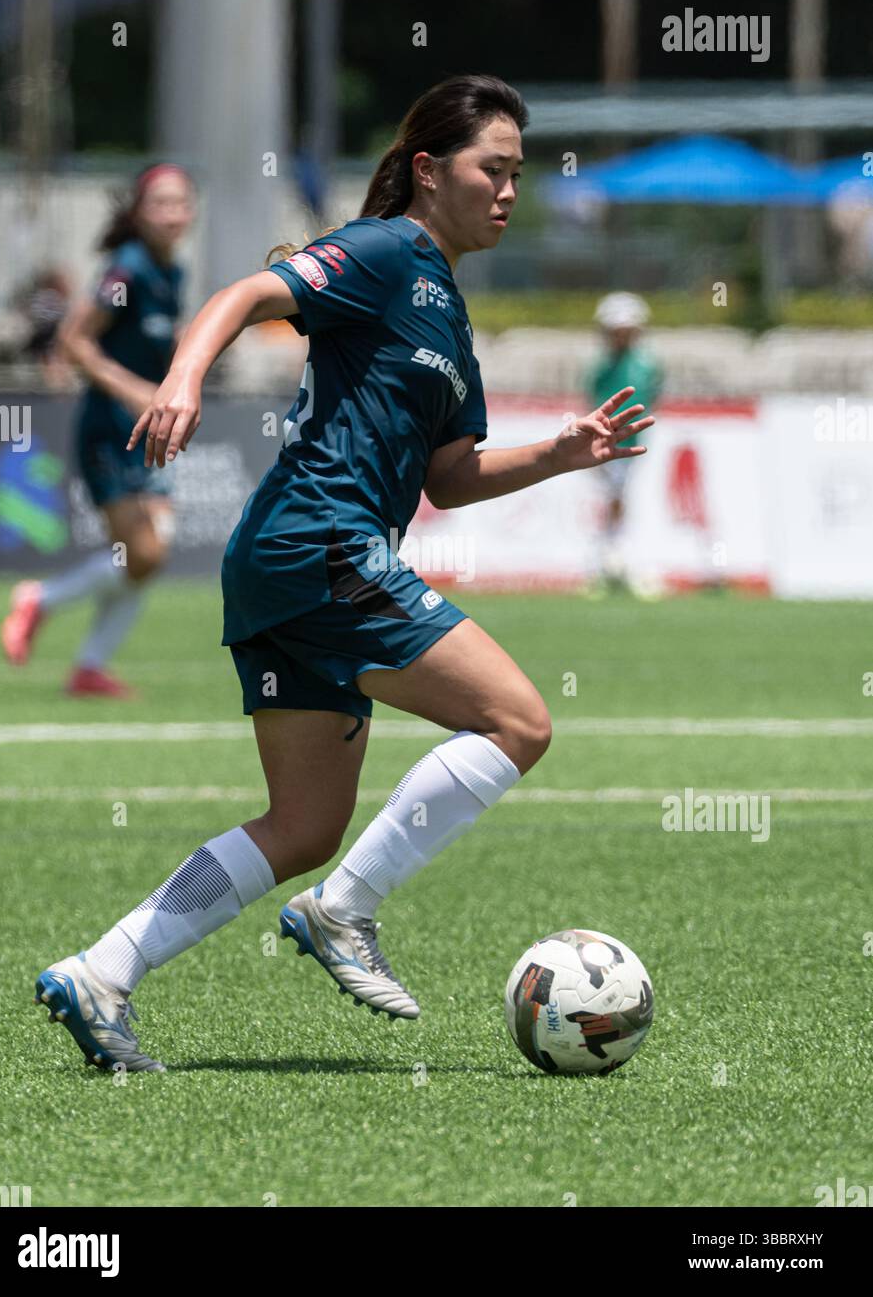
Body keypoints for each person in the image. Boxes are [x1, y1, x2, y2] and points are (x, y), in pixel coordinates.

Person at [33, 75, 654, 1071]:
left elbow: (447, 476)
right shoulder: (384, 251)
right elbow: (246, 293)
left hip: (293, 560)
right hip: (320, 543)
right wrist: (185, 379)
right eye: (491, 170)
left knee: (306, 822)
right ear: (426, 171)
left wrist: (558, 453)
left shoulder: (444, 307)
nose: (508, 191)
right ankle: (342, 912)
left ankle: (99, 973)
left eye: (517, 175)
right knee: (517, 721)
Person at [0, 164, 195, 696]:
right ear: (138, 212)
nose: (174, 213)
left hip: (146, 430)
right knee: (144, 555)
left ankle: (88, 666)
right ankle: (40, 599)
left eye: (181, 202)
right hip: (110, 431)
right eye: (161, 203)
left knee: (147, 553)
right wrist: (133, 388)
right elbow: (73, 340)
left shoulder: (171, 273)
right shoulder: (126, 271)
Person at [585, 291, 662, 591]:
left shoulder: (647, 364)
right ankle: (608, 563)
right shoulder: (601, 366)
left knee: (626, 500)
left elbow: (654, 394)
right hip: (607, 445)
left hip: (639, 441)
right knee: (612, 500)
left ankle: (621, 561)